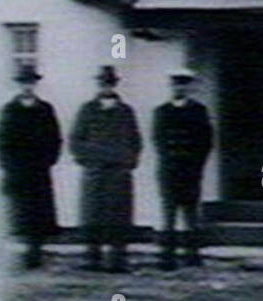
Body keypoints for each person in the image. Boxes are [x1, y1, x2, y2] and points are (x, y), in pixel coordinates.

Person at [70, 65, 142, 273]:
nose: (106, 87)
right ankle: (92, 257)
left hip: (119, 174)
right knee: (93, 215)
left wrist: (127, 163)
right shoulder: (87, 110)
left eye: (109, 83)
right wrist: (90, 160)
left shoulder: (126, 111)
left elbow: (135, 141)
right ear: (98, 85)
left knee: (118, 217)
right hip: (95, 173)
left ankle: (117, 258)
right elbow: (76, 141)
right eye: (103, 83)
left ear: (115, 85)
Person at [0, 65, 62, 270]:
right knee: (11, 214)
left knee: (37, 216)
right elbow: (0, 141)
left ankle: (34, 256)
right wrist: (9, 166)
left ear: (36, 85)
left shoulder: (45, 109)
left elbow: (55, 139)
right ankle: (4, 258)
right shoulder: (10, 110)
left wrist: (48, 160)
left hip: (39, 171)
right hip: (16, 172)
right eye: (24, 83)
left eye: (31, 83)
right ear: (18, 85)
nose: (27, 87)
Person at [152, 68, 214, 270]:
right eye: (177, 84)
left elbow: (206, 141)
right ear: (172, 87)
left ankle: (192, 255)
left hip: (190, 170)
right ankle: (167, 257)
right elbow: (158, 140)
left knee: (191, 215)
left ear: (189, 88)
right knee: (168, 215)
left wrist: (197, 165)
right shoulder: (161, 112)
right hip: (169, 170)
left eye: (184, 85)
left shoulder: (199, 111)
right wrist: (168, 161)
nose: (180, 88)